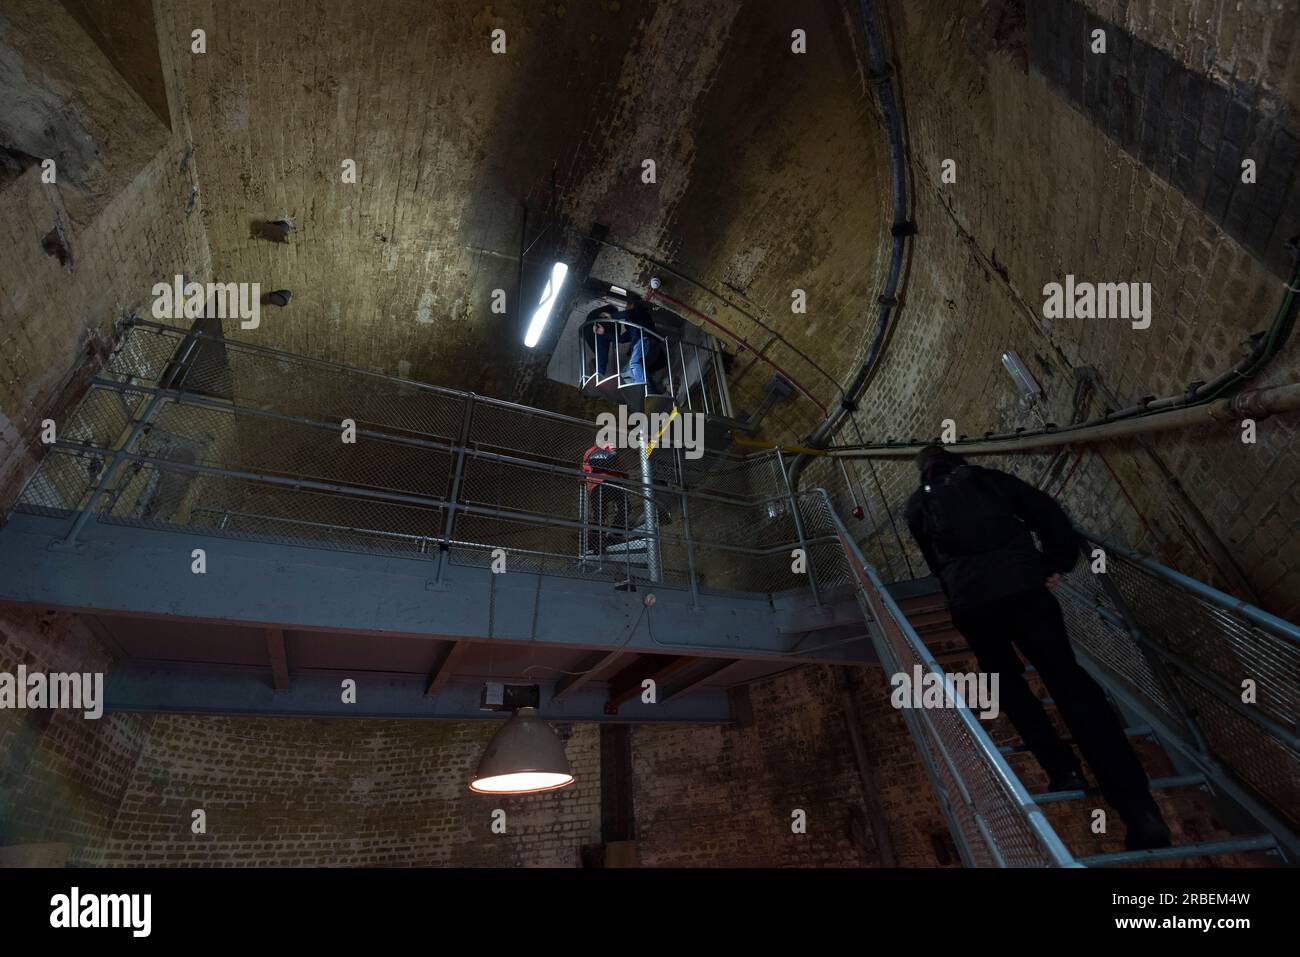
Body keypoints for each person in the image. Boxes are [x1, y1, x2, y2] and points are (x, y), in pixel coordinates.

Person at [903, 444, 1172, 851]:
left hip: (973, 604)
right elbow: (1048, 514)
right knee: (1070, 684)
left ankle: (1063, 769)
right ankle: (1138, 809)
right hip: (1025, 590)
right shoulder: (991, 480)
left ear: (923, 472)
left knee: (1007, 685)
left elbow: (936, 565)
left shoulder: (916, 507)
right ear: (958, 461)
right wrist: (1053, 564)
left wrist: (963, 591)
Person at [611, 301, 668, 394]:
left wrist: (611, 316)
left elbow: (629, 312)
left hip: (645, 339)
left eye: (627, 306)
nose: (626, 308)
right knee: (626, 372)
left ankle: (644, 390)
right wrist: (604, 332)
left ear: (632, 305)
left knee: (634, 363)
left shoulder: (639, 312)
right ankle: (654, 393)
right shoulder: (632, 328)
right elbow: (621, 339)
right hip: (640, 344)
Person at [582, 441, 627, 554]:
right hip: (605, 483)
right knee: (608, 511)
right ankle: (603, 540)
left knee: (603, 513)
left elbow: (583, 473)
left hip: (602, 484)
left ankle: (608, 538)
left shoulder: (591, 453)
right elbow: (623, 470)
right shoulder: (593, 452)